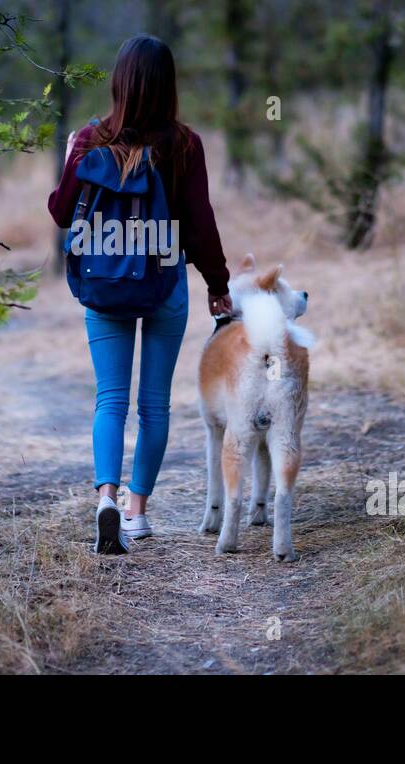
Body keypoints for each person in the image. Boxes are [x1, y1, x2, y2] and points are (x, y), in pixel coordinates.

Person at [48, 35, 232, 554]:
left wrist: (69, 161)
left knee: (110, 400)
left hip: (104, 286)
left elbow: (62, 214)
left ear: (119, 81)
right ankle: (135, 513)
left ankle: (104, 497)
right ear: (168, 84)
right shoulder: (184, 144)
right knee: (154, 406)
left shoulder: (90, 139)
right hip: (164, 285)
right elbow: (199, 226)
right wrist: (218, 286)